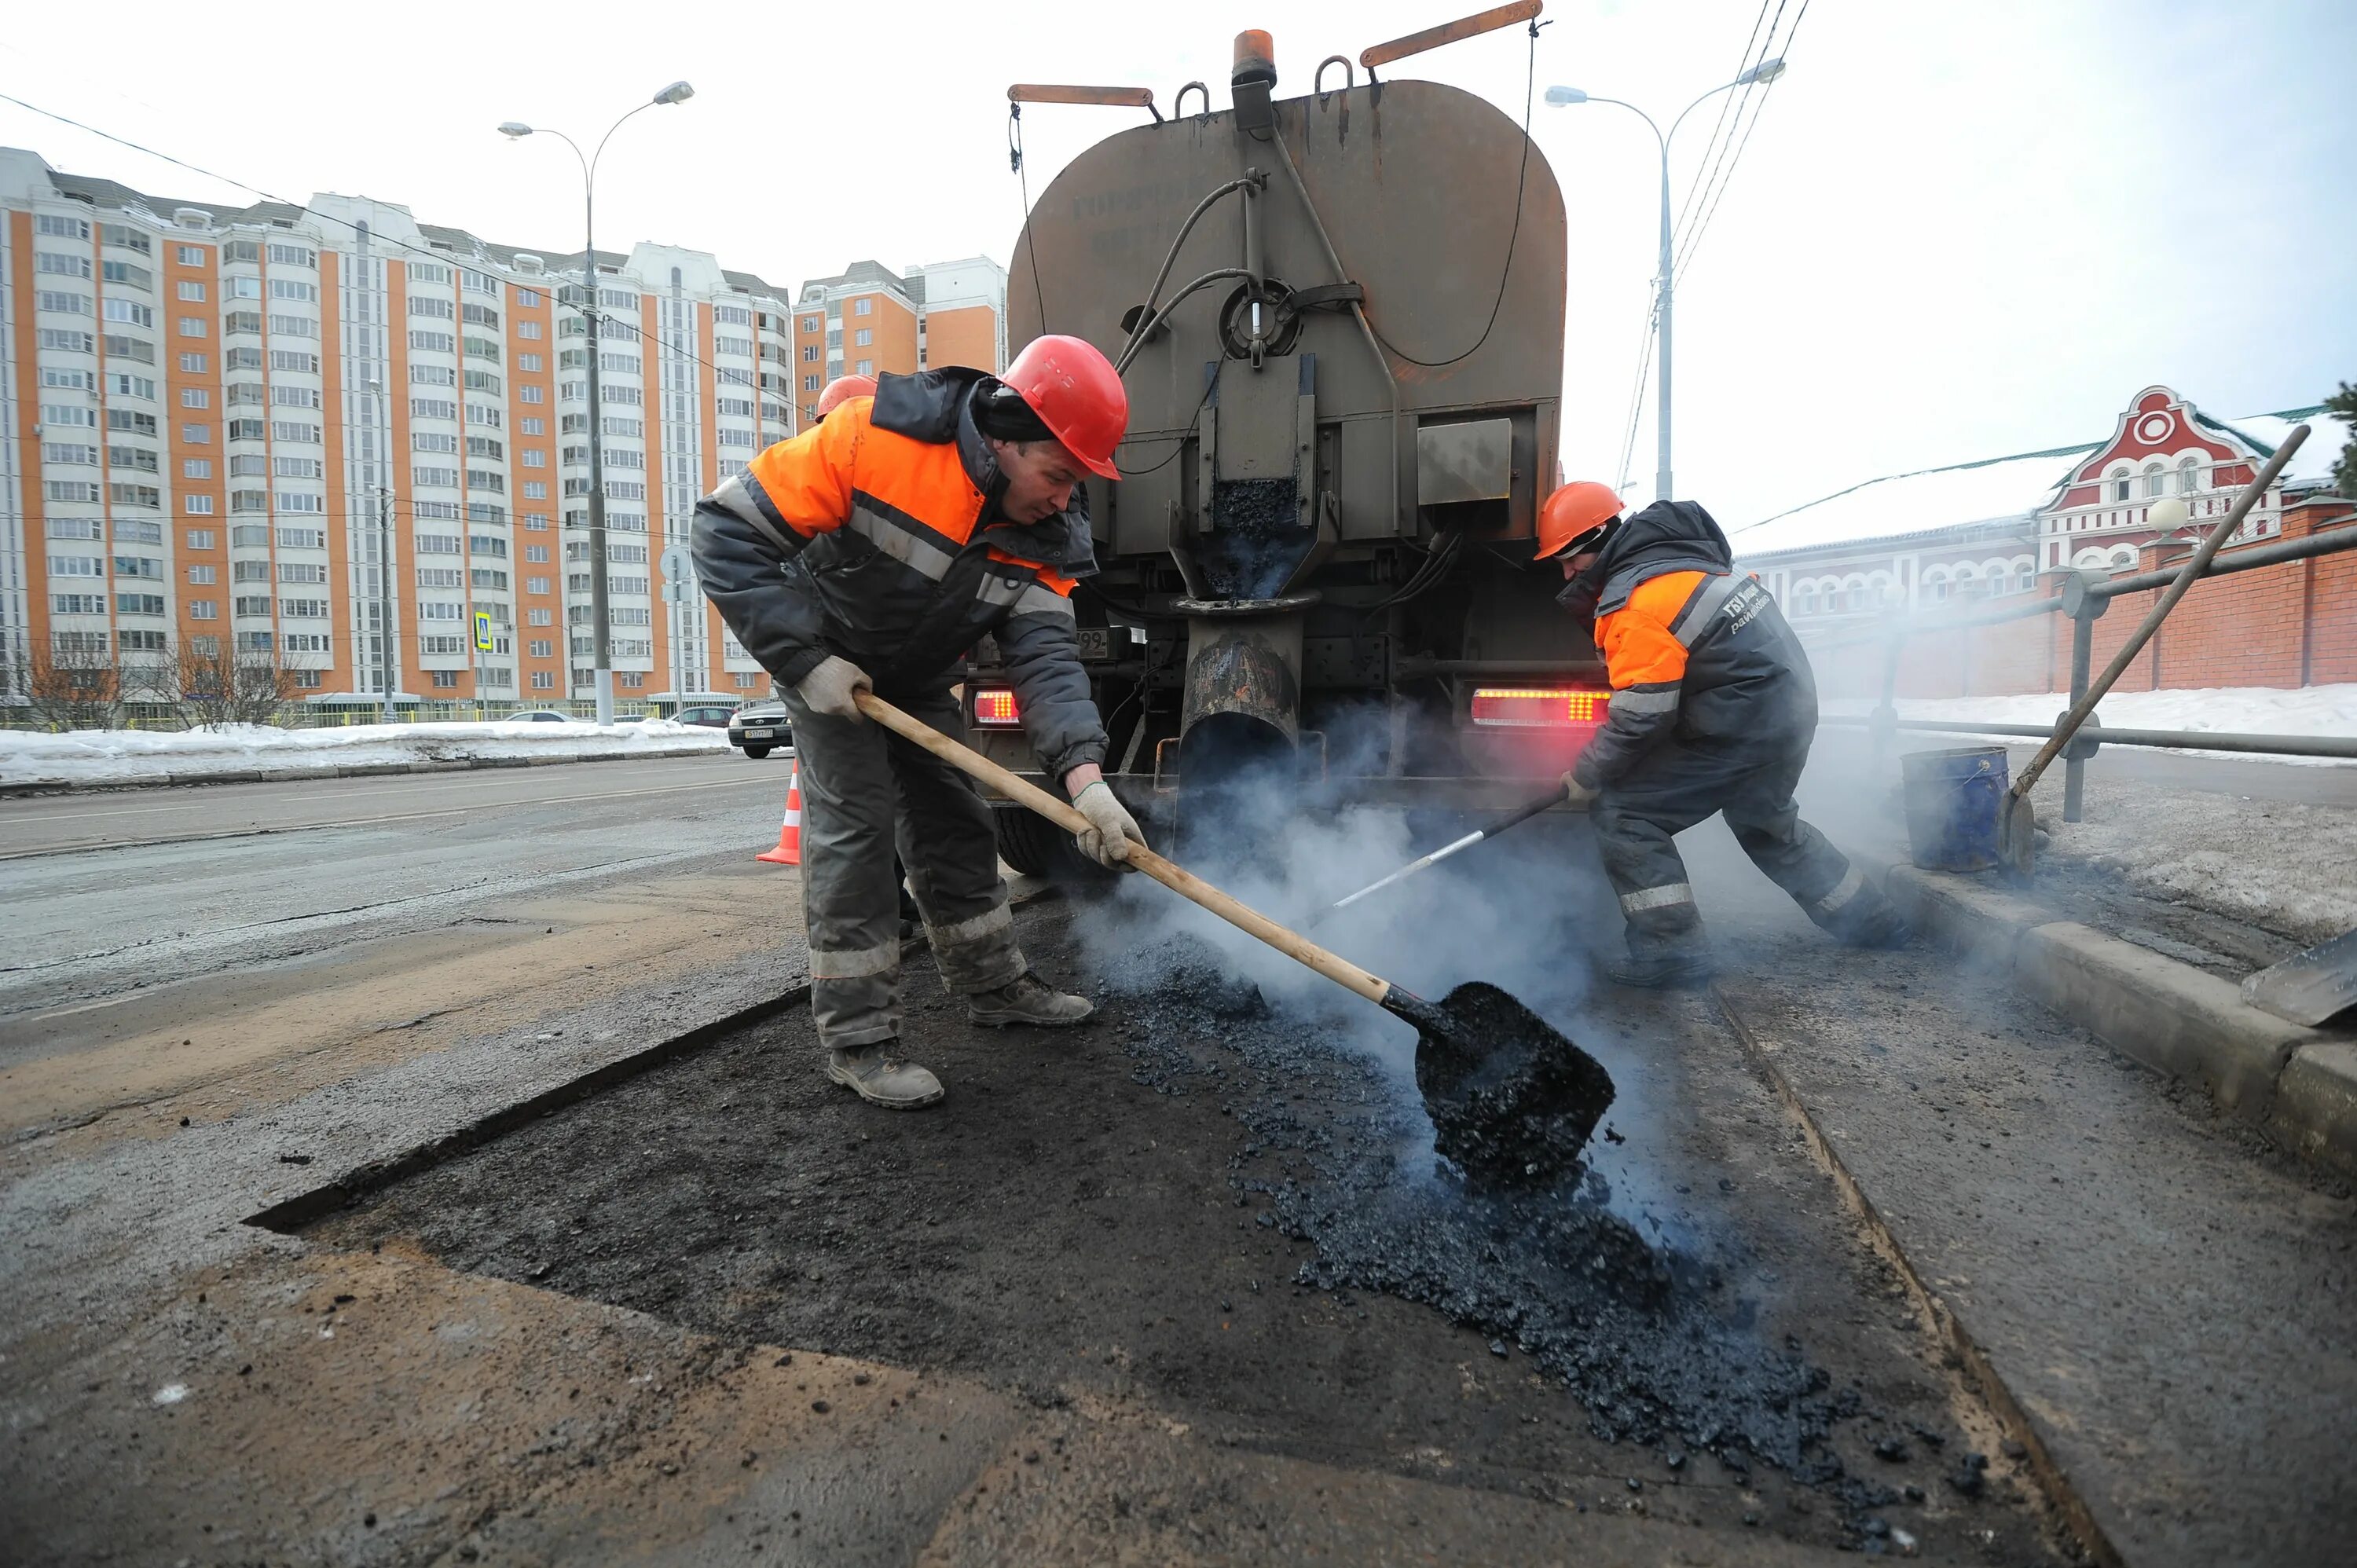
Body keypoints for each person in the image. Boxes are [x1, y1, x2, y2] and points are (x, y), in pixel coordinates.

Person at [695, 335, 1146, 1108]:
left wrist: (1087, 783)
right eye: (1057, 475)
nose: (1064, 499)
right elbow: (723, 531)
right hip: (829, 662)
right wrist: (804, 662)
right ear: (1005, 437)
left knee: (955, 819)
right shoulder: (873, 440)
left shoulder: (1045, 540)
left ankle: (994, 986)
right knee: (857, 832)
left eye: (1077, 484)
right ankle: (862, 1042)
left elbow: (1046, 662)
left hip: (916, 673)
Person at [1539, 481, 1910, 986]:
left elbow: (1643, 714)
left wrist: (1587, 774)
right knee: (1767, 823)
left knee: (1625, 812)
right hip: (1787, 712)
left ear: (1601, 538)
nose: (1566, 573)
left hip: (1743, 724)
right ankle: (1877, 923)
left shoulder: (1638, 603)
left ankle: (1671, 955)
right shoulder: (1689, 567)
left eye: (1570, 558)